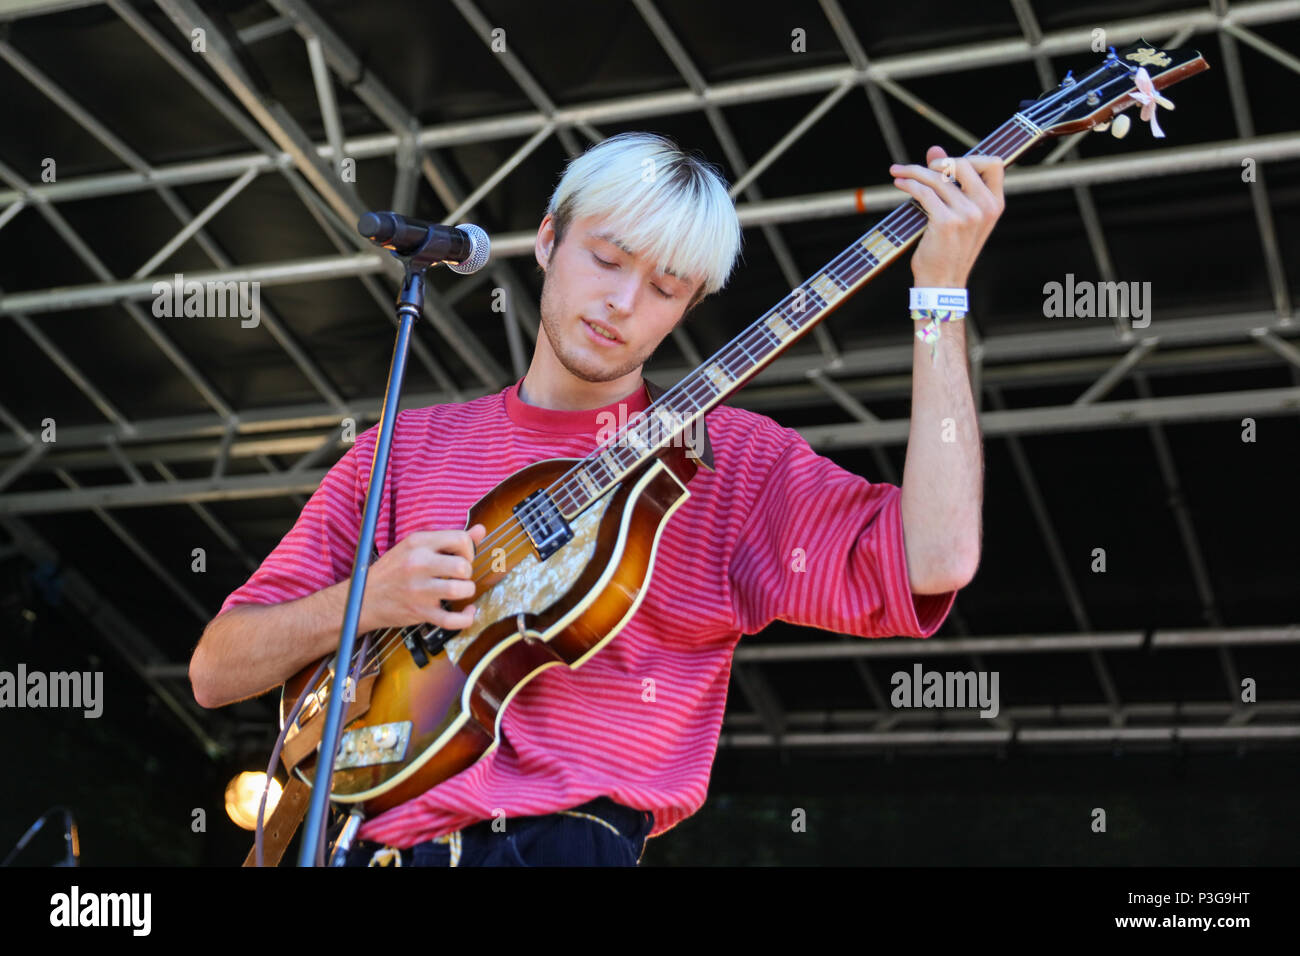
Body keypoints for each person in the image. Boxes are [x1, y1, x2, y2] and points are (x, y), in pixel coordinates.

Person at [190, 131, 1001, 866]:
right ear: (548, 239)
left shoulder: (733, 461)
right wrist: (371, 597)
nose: (622, 303)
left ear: (689, 307)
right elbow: (217, 670)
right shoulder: (402, 449)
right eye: (607, 261)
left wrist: (940, 297)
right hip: (359, 846)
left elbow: (936, 558)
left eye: (665, 287)